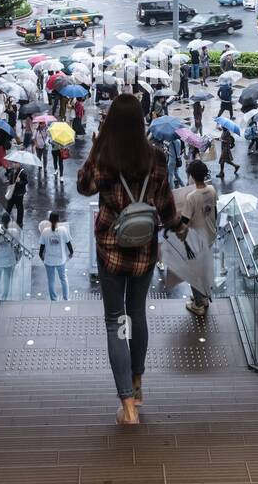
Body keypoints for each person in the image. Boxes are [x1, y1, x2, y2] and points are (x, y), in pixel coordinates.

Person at [77, 94, 185, 425]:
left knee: (115, 321)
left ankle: (126, 404)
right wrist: (177, 225)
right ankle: (137, 384)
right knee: (137, 314)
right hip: (144, 248)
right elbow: (165, 204)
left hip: (110, 246)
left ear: (111, 123)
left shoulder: (104, 157)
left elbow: (83, 187)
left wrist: (96, 147)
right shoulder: (154, 156)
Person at [165, 160, 218, 315]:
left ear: (192, 177)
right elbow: (213, 211)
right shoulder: (212, 190)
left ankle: (199, 304)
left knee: (194, 271)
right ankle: (205, 297)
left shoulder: (192, 197)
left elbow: (184, 222)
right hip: (209, 235)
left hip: (195, 240)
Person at [37, 211, 73, 301]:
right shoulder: (63, 230)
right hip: (61, 260)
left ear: (49, 220)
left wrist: (41, 255)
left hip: (49, 261)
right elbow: (68, 243)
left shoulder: (45, 231)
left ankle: (54, 299)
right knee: (63, 278)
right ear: (58, 220)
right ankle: (66, 298)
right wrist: (71, 252)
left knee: (51, 280)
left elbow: (42, 246)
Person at [0, 213, 19, 301]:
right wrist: (17, 258)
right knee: (5, 282)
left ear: (1, 221)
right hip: (6, 261)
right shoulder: (13, 232)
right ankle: (3, 299)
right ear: (9, 221)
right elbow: (17, 246)